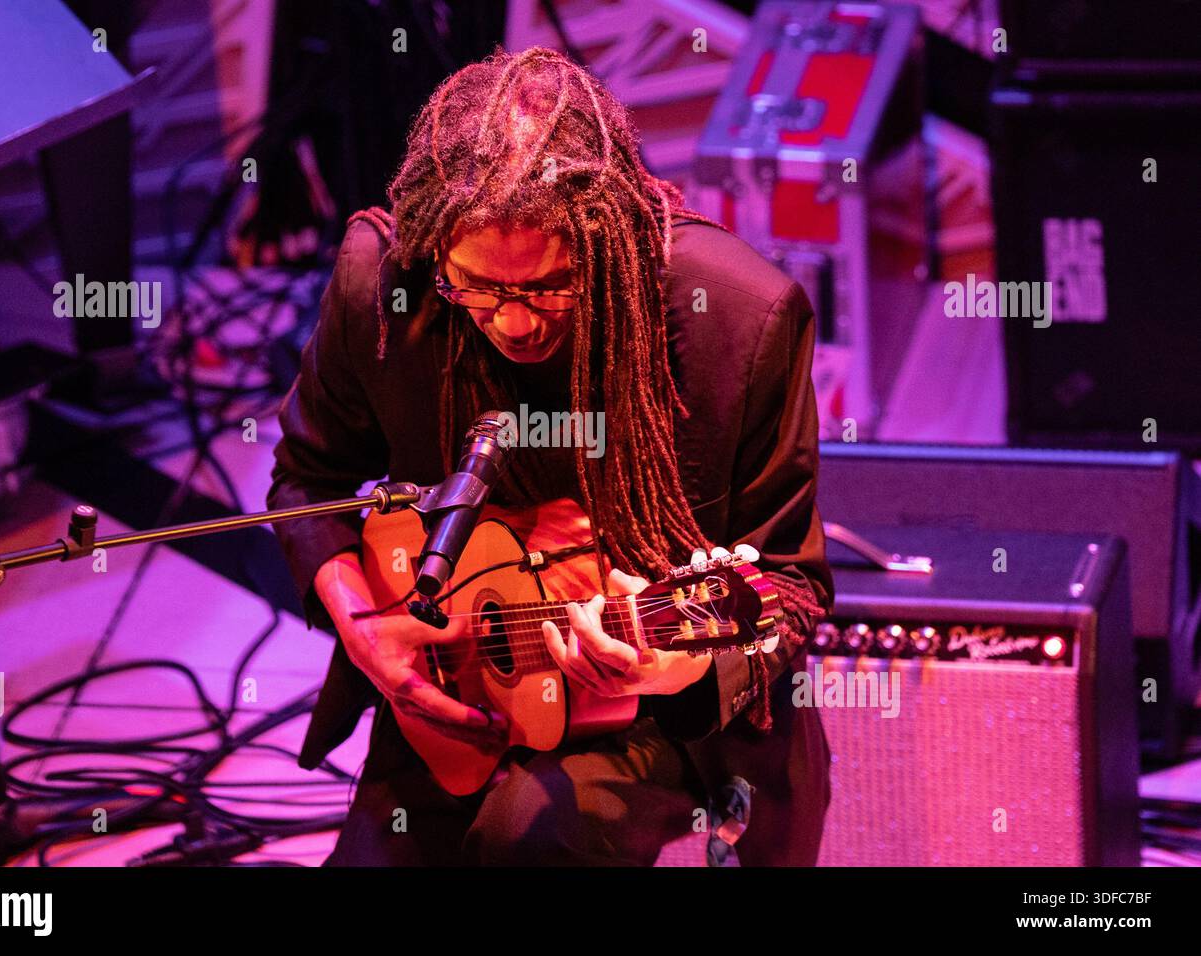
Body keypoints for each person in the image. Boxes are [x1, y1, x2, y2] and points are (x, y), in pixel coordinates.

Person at [268, 47, 833, 866]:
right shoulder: (388, 289)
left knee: (526, 841)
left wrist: (672, 667)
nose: (514, 322)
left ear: (612, 245)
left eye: (550, 285)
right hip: (452, 701)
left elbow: (792, 583)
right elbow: (305, 481)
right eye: (478, 288)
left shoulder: (738, 320)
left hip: (668, 722)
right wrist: (363, 628)